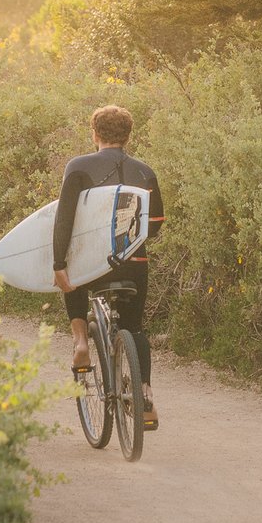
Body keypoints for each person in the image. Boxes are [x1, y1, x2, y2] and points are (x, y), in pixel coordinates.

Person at [53, 104, 165, 428]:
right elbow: (156, 222)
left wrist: (59, 263)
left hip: (93, 265)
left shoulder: (78, 167)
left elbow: (64, 220)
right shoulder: (145, 172)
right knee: (136, 328)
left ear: (95, 134)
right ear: (129, 136)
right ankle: (144, 399)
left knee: (70, 274)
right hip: (134, 264)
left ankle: (80, 342)